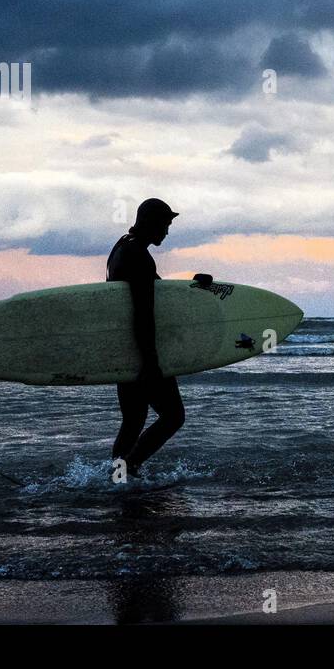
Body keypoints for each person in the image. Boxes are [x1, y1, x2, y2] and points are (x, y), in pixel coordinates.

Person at [106, 198, 211, 478]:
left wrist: (195, 288)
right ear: (151, 223)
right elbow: (144, 313)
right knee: (174, 416)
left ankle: (117, 478)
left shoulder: (122, 247)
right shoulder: (139, 256)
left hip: (124, 350)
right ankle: (130, 468)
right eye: (165, 224)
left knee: (133, 421)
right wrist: (151, 364)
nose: (167, 231)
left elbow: (159, 294)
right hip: (142, 352)